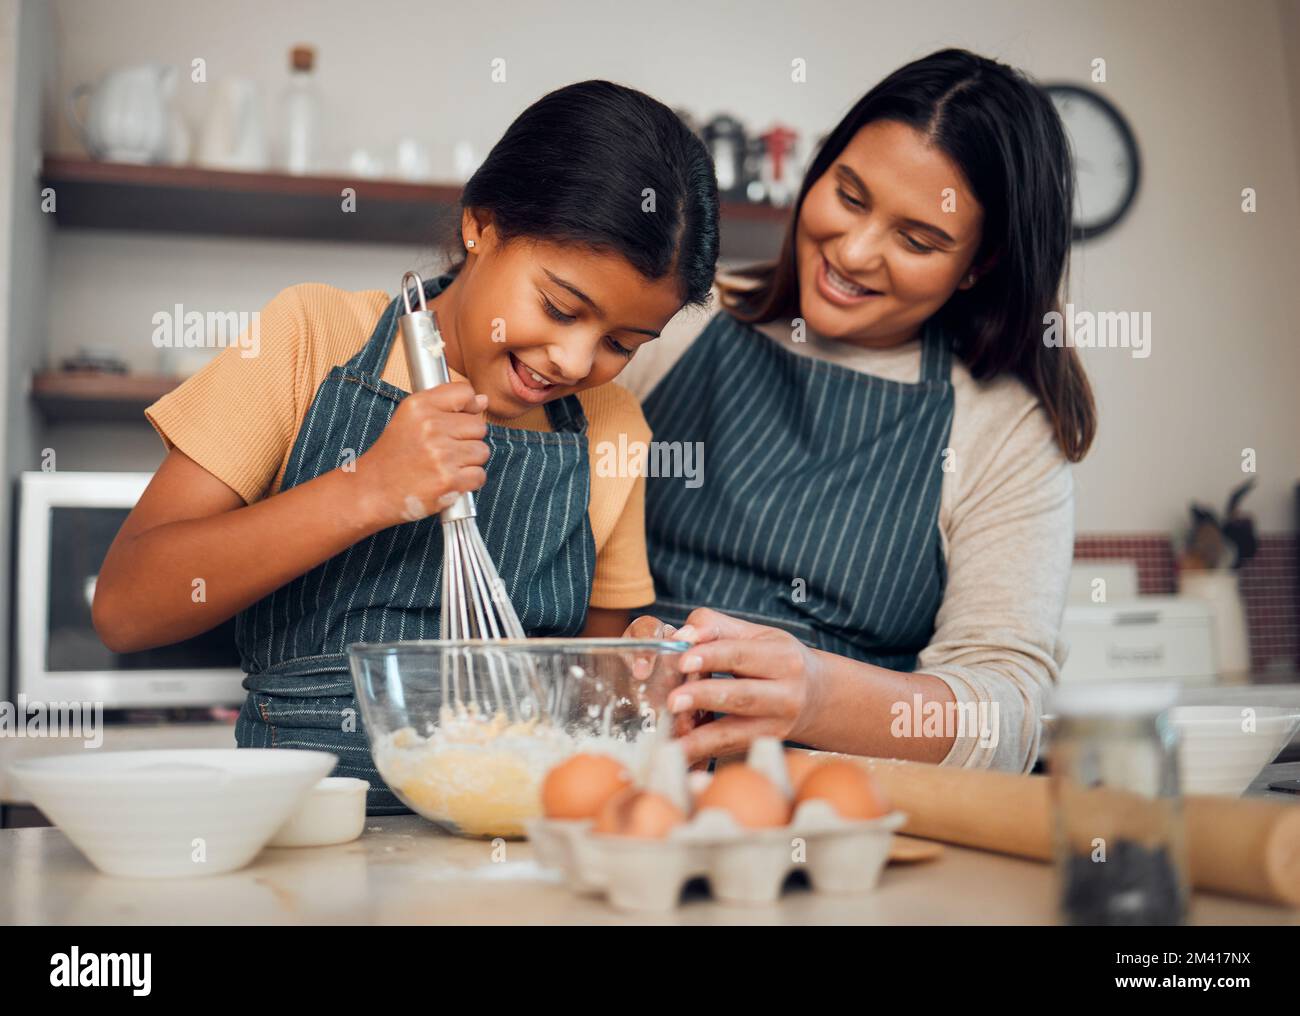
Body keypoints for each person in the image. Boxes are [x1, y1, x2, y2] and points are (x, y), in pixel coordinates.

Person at [93, 80, 720, 812]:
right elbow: (128, 606)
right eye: (558, 307)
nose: (576, 363)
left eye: (621, 342)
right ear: (481, 226)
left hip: (509, 846)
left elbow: (590, 698)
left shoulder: (612, 429)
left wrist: (636, 674)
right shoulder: (309, 338)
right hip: (305, 831)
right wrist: (365, 490)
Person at [620, 49, 1095, 773]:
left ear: (979, 265)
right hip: (625, 775)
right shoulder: (680, 317)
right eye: (848, 195)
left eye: (916, 239)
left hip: (840, 815)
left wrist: (816, 696)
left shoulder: (1004, 428)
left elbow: (1014, 711)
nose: (854, 251)